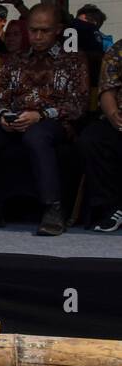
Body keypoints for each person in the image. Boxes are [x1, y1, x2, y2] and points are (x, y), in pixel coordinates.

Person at [0, 3, 89, 235]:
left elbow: (79, 104)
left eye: (44, 30)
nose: (37, 36)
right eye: (33, 30)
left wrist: (41, 115)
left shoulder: (73, 60)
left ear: (58, 29)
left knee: (37, 136)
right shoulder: (12, 60)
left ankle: (53, 209)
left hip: (53, 123)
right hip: (14, 122)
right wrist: (4, 116)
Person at [73, 39, 122, 232]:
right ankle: (113, 206)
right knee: (91, 139)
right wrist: (113, 116)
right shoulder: (117, 50)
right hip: (119, 117)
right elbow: (107, 90)